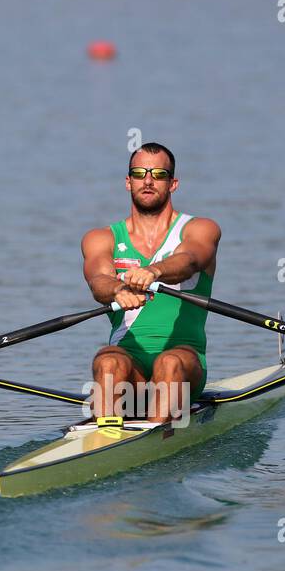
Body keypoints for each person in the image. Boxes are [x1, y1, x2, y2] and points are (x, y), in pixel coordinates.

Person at [81, 143, 220, 424]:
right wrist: (118, 289)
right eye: (139, 173)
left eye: (158, 174)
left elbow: (190, 260)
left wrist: (154, 271)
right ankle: (105, 436)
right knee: (107, 361)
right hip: (129, 368)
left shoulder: (200, 229)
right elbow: (98, 282)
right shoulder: (101, 238)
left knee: (168, 363)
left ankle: (155, 439)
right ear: (128, 181)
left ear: (173, 183)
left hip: (184, 364)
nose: (147, 180)